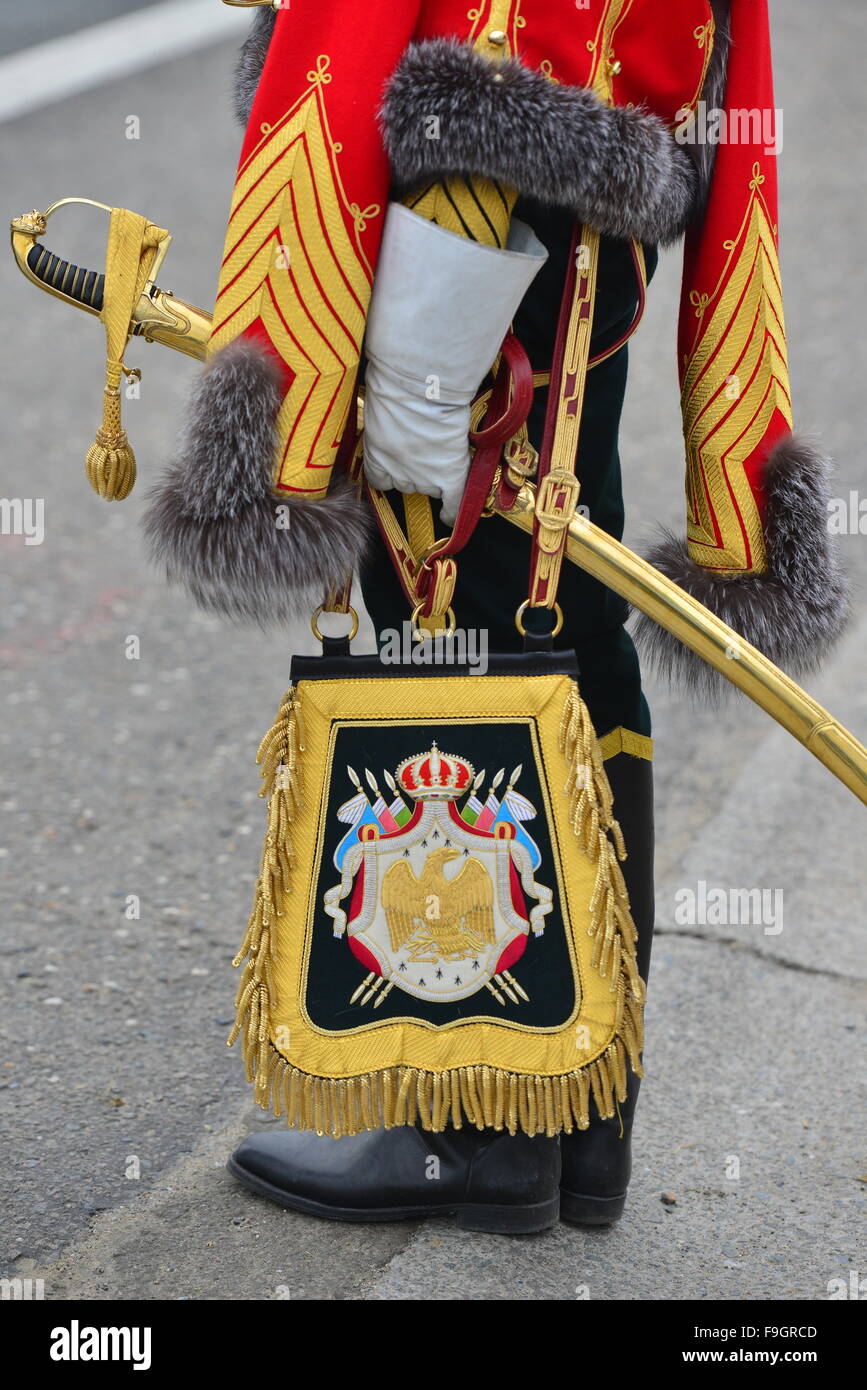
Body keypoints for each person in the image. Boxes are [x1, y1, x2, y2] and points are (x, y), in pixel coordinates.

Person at [144, 0, 847, 1231]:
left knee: (452, 595)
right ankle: (581, 1117)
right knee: (563, 609)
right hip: (598, 184)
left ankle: (480, 1135)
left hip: (473, 190)